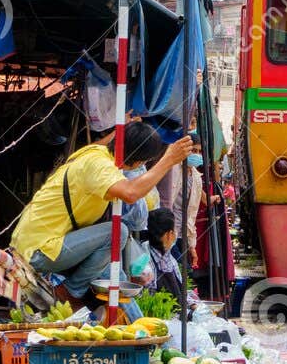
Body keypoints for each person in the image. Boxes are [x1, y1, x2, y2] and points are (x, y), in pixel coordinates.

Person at [12, 124, 194, 303]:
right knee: (117, 232)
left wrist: (125, 124)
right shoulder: (101, 166)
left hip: (35, 244)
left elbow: (110, 143)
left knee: (111, 273)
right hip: (38, 250)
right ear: (140, 162)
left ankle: (135, 323)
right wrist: (168, 160)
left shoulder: (95, 153)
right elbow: (131, 193)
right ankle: (69, 292)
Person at [146, 206, 184, 307]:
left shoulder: (170, 259)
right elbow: (149, 298)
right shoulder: (148, 262)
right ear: (168, 235)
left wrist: (194, 305)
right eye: (174, 231)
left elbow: (183, 293)